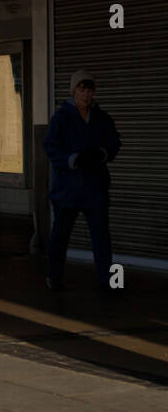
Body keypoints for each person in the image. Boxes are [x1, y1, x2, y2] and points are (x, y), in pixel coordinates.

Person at [43, 69, 122, 292]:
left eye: (90, 89)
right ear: (74, 90)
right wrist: (72, 159)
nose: (86, 94)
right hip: (67, 190)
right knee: (60, 236)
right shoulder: (61, 118)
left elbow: (115, 142)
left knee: (101, 237)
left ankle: (107, 280)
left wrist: (103, 153)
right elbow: (51, 147)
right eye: (81, 88)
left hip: (95, 189)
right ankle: (54, 277)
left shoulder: (102, 118)